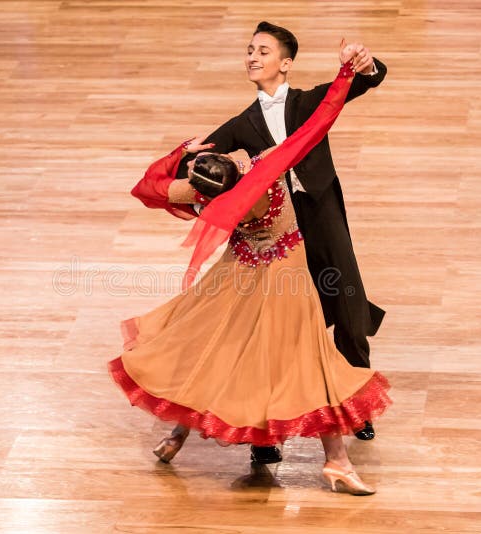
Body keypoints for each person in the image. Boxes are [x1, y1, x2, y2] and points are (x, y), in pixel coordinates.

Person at [110, 58, 391, 495]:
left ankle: (174, 438)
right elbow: (321, 120)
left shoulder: (206, 199)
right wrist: (344, 76)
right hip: (285, 276)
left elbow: (146, 187)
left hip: (236, 276)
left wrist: (182, 153)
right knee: (305, 358)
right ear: (235, 167)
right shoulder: (263, 173)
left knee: (209, 348)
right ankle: (336, 460)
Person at [177, 23, 387, 450]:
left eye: (264, 51)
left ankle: (356, 407)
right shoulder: (243, 123)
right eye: (250, 50)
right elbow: (195, 166)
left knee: (347, 308)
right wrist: (187, 153)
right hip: (275, 234)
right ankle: (263, 437)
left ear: (285, 63)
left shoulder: (310, 102)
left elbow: (369, 79)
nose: (253, 57)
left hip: (321, 218)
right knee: (267, 327)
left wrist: (366, 62)